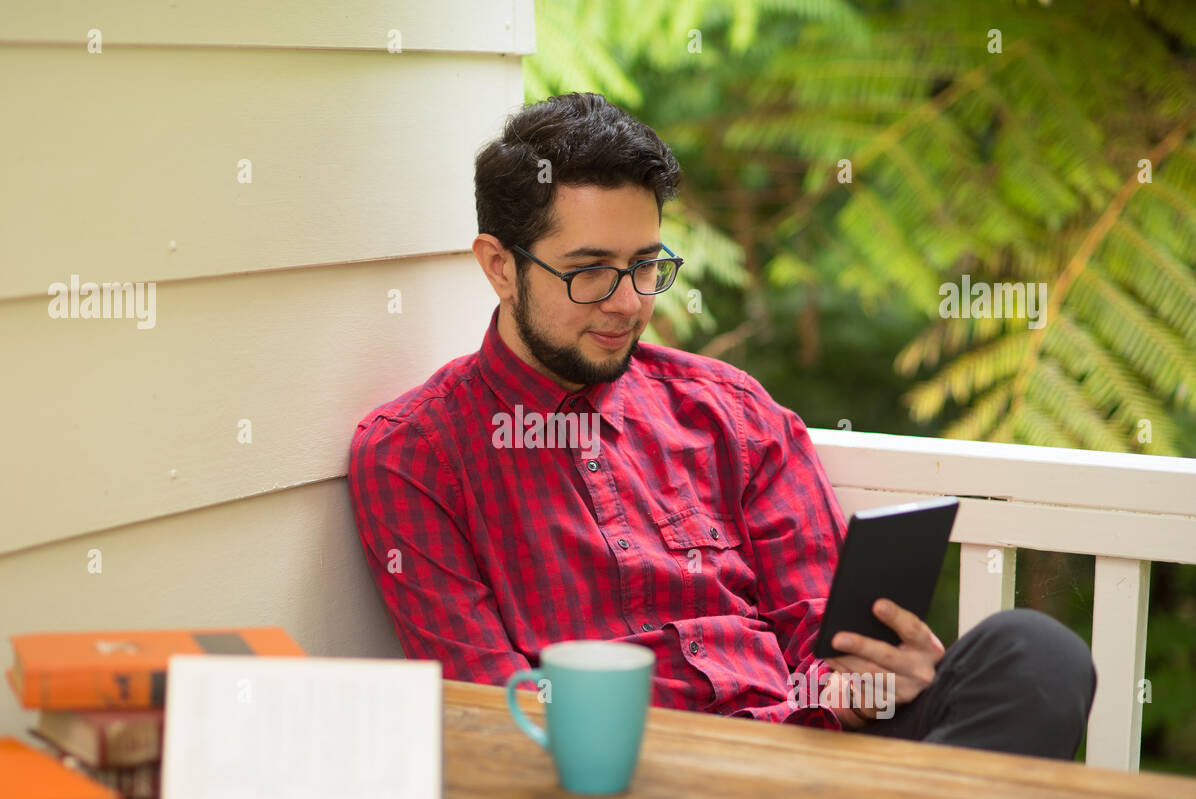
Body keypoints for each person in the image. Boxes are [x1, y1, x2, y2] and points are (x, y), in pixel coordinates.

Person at [348, 92, 1096, 761]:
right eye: (591, 270)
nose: (628, 302)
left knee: (1036, 653)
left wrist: (872, 676)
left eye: (647, 264)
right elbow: (494, 707)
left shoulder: (730, 413)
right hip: (628, 787)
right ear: (500, 266)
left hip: (817, 750)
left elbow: (819, 643)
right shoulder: (415, 455)